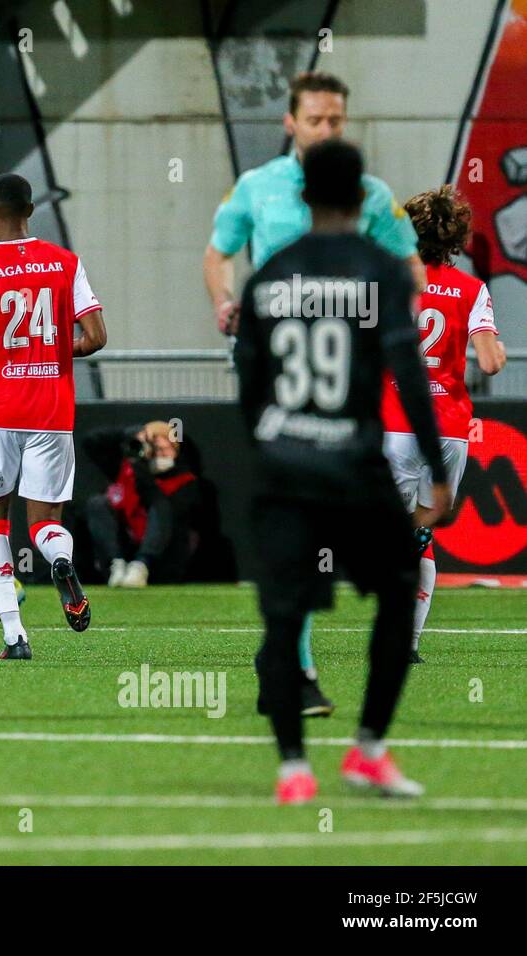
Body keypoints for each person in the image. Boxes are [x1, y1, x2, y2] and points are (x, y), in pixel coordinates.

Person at [233, 139, 452, 804]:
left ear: (303, 196)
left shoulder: (269, 274)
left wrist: (266, 449)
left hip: (284, 469)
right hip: (356, 466)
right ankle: (369, 749)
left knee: (282, 616)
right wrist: (438, 469)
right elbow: (410, 376)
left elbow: (248, 383)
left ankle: (293, 769)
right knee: (398, 588)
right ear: (363, 199)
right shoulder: (381, 269)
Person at [202, 70, 422, 713]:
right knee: (297, 532)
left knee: (355, 547)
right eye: (317, 119)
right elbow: (218, 253)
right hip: (283, 383)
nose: (328, 129)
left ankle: (287, 655)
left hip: (347, 387)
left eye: (337, 120)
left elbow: (409, 263)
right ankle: (296, 669)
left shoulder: (373, 197)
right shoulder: (257, 189)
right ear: (290, 123)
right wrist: (222, 298)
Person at [0, 173, 107, 659]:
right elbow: (96, 337)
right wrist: (54, 349)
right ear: (31, 210)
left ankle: (15, 636)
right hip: (51, 408)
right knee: (45, 520)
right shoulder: (64, 262)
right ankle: (59, 558)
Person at [381, 186, 505, 662]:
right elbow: (491, 363)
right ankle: (407, 643)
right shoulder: (472, 289)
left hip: (395, 421)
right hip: (449, 428)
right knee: (422, 533)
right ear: (454, 238)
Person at [83, 421, 201, 587]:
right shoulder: (128, 468)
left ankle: (141, 565)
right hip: (125, 553)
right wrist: (135, 434)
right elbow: (91, 440)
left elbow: (162, 505)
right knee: (97, 503)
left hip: (162, 559)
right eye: (155, 449)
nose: (160, 454)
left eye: (165, 449)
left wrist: (145, 474)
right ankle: (116, 564)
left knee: (162, 506)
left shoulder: (185, 480)